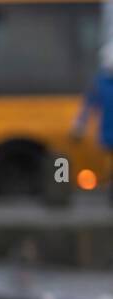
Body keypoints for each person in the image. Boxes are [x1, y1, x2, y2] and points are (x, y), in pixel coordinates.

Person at [72, 42, 113, 204]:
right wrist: (79, 126)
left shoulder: (100, 82)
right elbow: (88, 106)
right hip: (107, 132)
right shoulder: (100, 82)